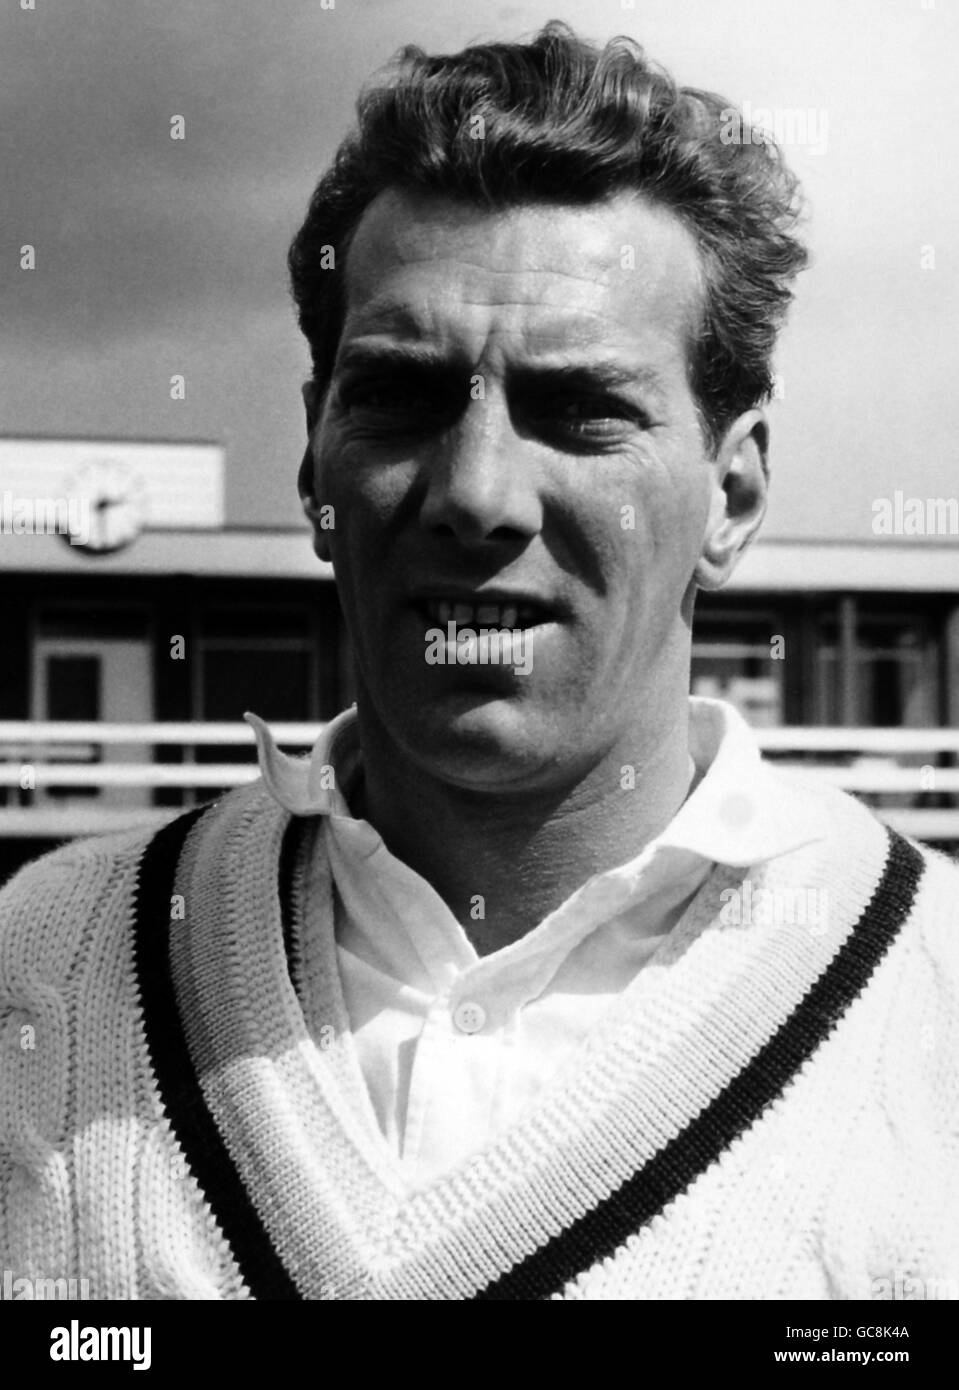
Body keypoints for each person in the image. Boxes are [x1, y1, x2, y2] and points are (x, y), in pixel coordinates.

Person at [2, 21, 957, 1302]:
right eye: (401, 395)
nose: (476, 492)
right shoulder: (39, 971)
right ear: (312, 456)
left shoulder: (925, 1000)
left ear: (731, 492)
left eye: (577, 410)